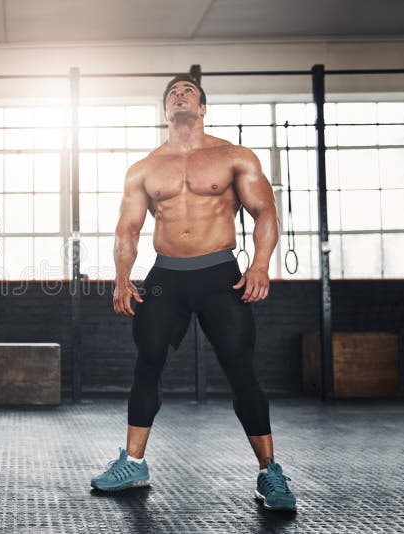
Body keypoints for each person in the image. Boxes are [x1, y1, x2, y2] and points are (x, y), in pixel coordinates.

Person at [90, 75, 296, 511]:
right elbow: (127, 228)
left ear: (203, 108)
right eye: (172, 93)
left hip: (220, 273)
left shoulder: (234, 156)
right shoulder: (145, 168)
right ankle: (133, 462)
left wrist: (260, 265)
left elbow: (265, 211)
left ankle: (269, 472)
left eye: (188, 91)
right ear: (165, 111)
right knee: (147, 363)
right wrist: (122, 277)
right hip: (166, 276)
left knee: (241, 369)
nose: (179, 95)